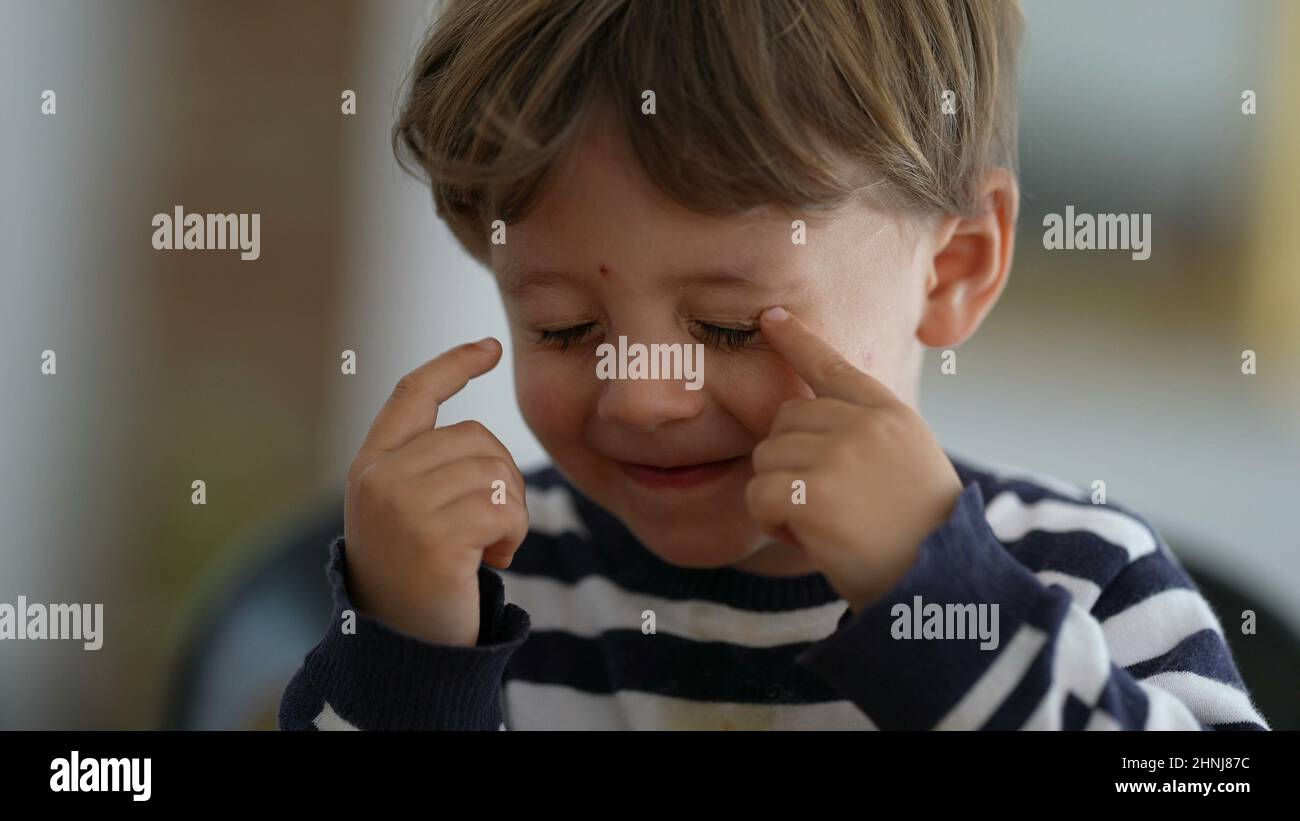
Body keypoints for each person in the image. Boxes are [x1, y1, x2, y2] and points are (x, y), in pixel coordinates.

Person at [280, 0, 1268, 730]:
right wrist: (408, 654)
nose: (641, 396)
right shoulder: (486, 589)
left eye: (729, 325)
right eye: (565, 328)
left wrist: (944, 610)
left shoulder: (1081, 574)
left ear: (953, 268)